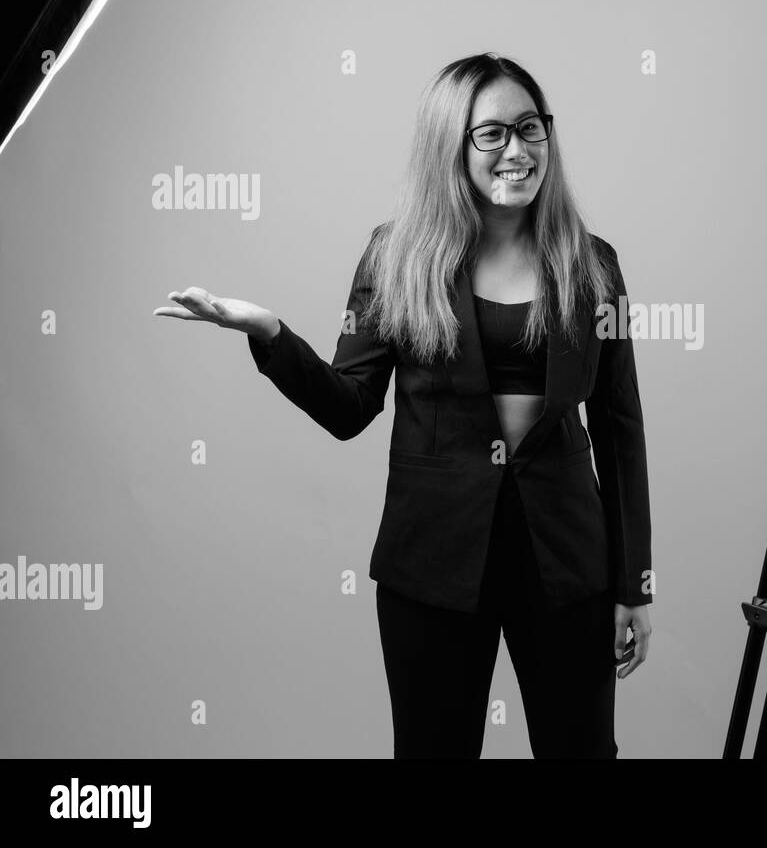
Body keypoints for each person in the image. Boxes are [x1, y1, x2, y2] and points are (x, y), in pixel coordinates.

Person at [153, 53, 653, 758]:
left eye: (531, 127)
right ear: (451, 146)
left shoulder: (593, 265)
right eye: (492, 134)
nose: (518, 149)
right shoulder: (395, 259)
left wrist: (634, 583)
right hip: (434, 564)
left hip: (567, 563)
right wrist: (268, 332)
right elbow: (348, 405)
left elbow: (619, 428)